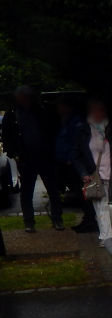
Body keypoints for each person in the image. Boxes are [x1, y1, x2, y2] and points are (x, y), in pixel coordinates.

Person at [72, 98, 112, 254]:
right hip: (96, 177)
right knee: (101, 208)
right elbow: (77, 155)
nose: (98, 113)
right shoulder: (83, 130)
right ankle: (107, 237)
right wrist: (84, 173)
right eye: (94, 110)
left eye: (100, 109)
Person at [0, 85, 64, 232]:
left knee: (52, 189)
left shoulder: (42, 111)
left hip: (44, 156)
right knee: (27, 191)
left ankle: (57, 219)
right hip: (26, 157)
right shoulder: (13, 114)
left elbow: (53, 131)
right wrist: (13, 153)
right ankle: (29, 222)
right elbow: (7, 135)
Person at [55, 96, 97, 232]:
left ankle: (90, 220)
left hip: (74, 163)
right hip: (69, 161)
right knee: (81, 194)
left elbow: (75, 143)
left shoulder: (76, 123)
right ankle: (88, 219)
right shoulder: (67, 121)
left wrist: (70, 158)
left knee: (84, 194)